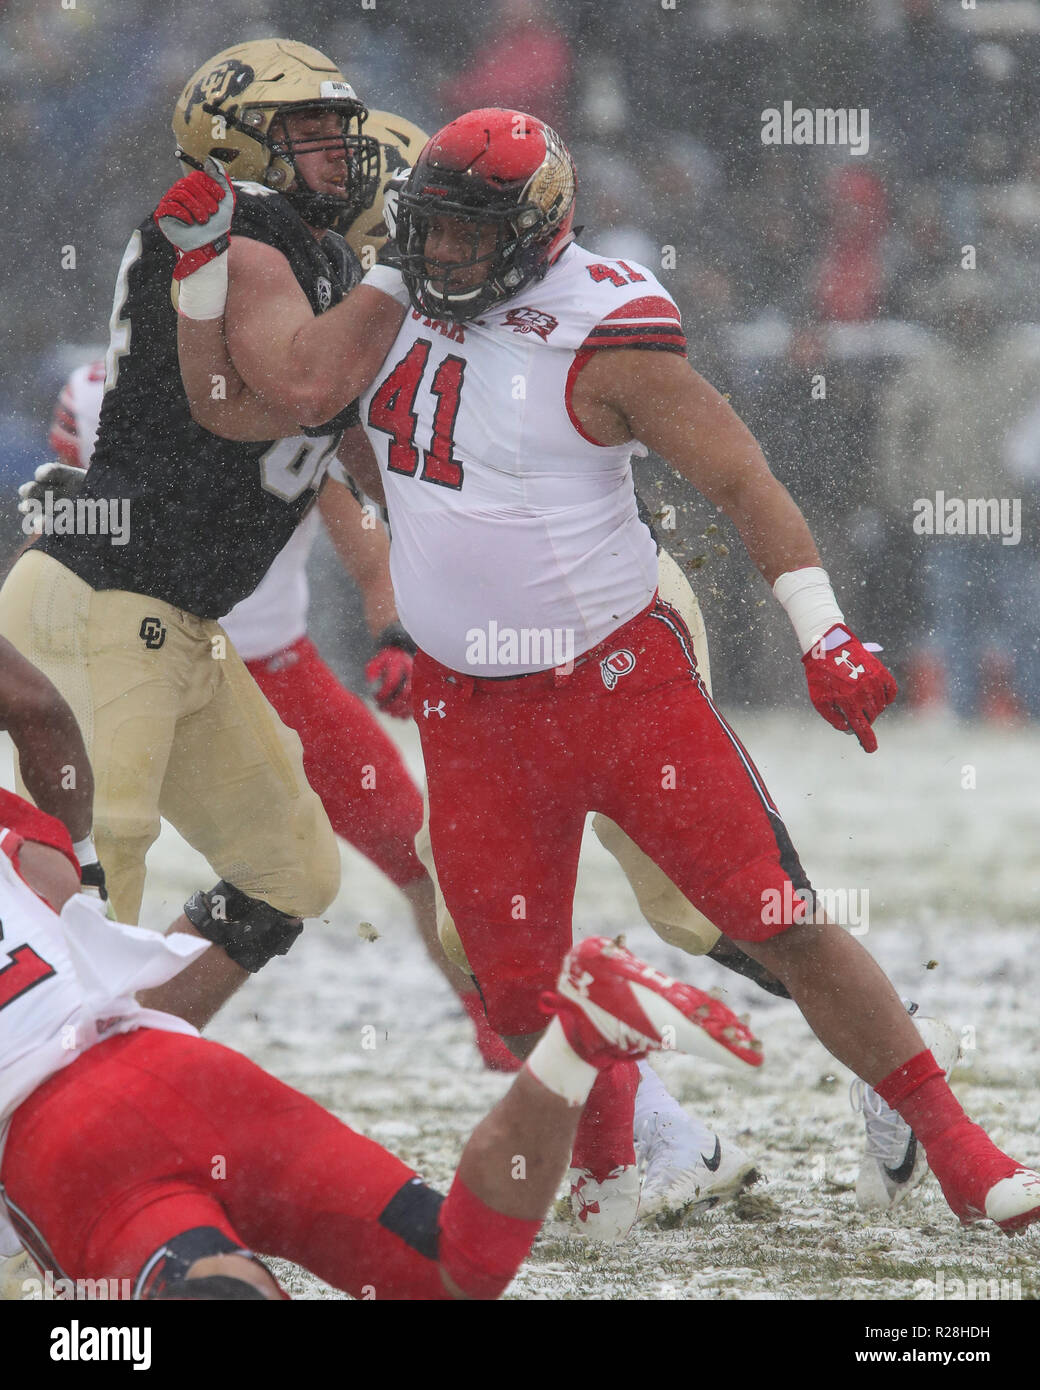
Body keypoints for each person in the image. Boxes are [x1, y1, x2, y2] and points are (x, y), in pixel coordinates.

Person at [157, 108, 1040, 1240]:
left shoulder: (603, 326)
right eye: (427, 232)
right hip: (465, 703)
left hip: (615, 685)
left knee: (773, 915)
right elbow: (239, 404)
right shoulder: (388, 305)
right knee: (512, 984)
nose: (437, 257)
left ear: (531, 234)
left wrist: (820, 628)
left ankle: (959, 1148)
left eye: (465, 238)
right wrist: (197, 283)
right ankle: (612, 1165)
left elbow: (741, 479)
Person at [0, 41, 413, 1033]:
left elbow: (352, 435)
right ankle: (47, 1098)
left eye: (337, 124)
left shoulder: (306, 249)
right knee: (112, 861)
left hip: (181, 618)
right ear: (241, 143)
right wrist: (398, 275)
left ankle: (135, 1047)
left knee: (288, 869)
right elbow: (302, 386)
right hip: (105, 592)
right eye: (307, 127)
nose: (338, 146)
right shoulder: (247, 234)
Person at [0, 786, 761, 1301]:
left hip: (59, 1145)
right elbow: (40, 761)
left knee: (187, 1295)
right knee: (459, 1266)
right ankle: (580, 1033)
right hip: (175, 1067)